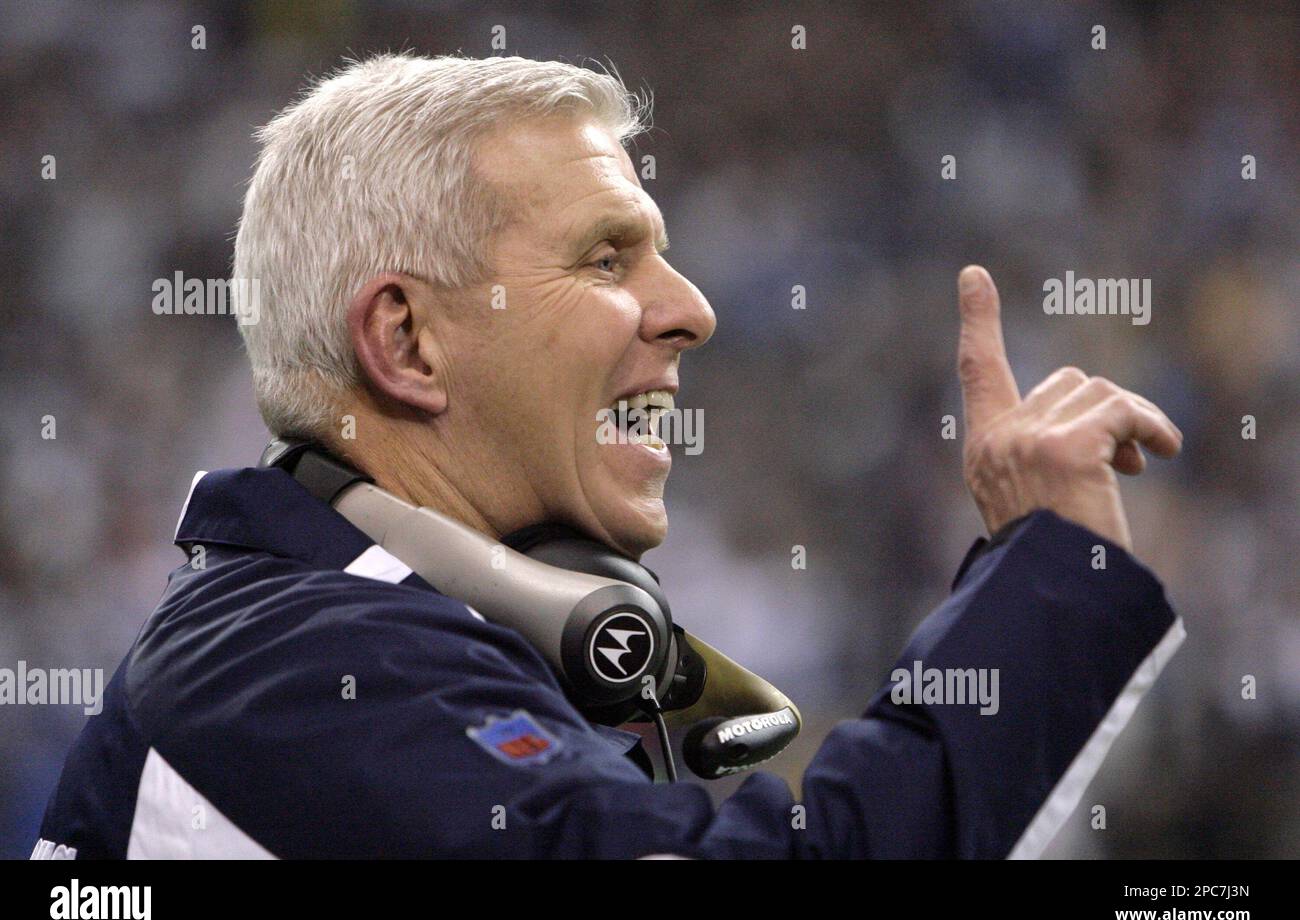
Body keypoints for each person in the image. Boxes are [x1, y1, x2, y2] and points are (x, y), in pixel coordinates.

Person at [33, 54, 1184, 860]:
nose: (691, 308)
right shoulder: (298, 661)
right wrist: (1048, 575)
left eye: (664, 254)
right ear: (406, 340)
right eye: (604, 258)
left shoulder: (317, 631)